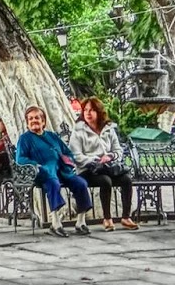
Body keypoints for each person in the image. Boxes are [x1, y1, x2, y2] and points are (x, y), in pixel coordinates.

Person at [14, 105, 92, 236]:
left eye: (37, 118)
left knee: (81, 183)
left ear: (43, 121)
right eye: (30, 118)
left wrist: (69, 161)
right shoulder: (25, 138)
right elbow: (20, 159)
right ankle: (55, 224)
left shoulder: (52, 136)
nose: (34, 120)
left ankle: (81, 222)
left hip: (62, 171)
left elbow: (67, 152)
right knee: (53, 184)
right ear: (27, 122)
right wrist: (36, 165)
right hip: (43, 174)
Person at [71, 97, 138, 231]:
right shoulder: (78, 131)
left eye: (92, 110)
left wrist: (110, 156)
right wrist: (94, 159)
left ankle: (126, 217)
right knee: (105, 181)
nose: (88, 113)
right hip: (87, 170)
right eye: (86, 110)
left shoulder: (108, 129)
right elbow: (76, 155)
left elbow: (118, 149)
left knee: (126, 179)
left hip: (107, 167)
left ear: (99, 112)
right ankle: (107, 219)